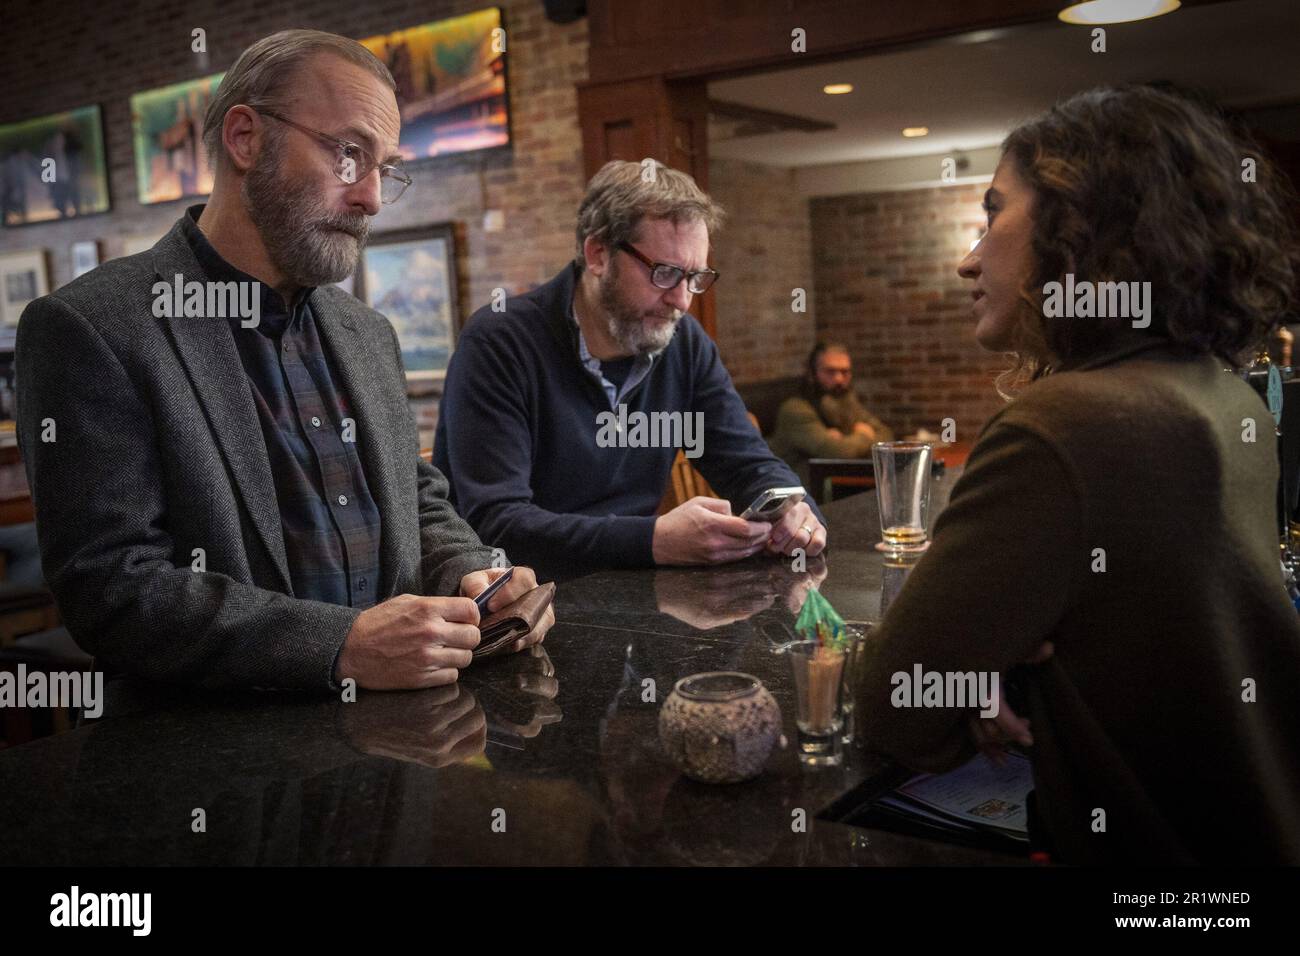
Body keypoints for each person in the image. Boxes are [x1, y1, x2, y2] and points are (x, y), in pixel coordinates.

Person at [15, 30, 552, 693]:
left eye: (386, 168)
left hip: (398, 750)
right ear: (245, 138)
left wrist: (472, 569)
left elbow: (416, 502)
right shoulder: (91, 328)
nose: (372, 199)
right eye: (350, 154)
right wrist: (341, 647)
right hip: (207, 771)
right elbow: (112, 588)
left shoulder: (367, 333)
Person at [856, 84, 1300, 864]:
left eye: (993, 213)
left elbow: (892, 703)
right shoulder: (1224, 393)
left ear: (1078, 229)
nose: (967, 258)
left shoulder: (1062, 425)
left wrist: (982, 658)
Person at [433, 160, 826, 579]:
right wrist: (652, 540)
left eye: (694, 277)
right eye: (665, 273)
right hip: (510, 608)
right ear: (598, 253)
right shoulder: (500, 342)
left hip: (630, 596)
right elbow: (497, 526)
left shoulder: (684, 343)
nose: (681, 300)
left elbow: (747, 463)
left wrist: (794, 510)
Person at [768, 341, 894, 484]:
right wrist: (862, 435)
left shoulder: (847, 403)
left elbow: (886, 435)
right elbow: (838, 453)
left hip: (838, 484)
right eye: (830, 372)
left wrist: (846, 439)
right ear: (812, 373)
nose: (839, 379)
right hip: (801, 493)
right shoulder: (796, 409)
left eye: (844, 372)